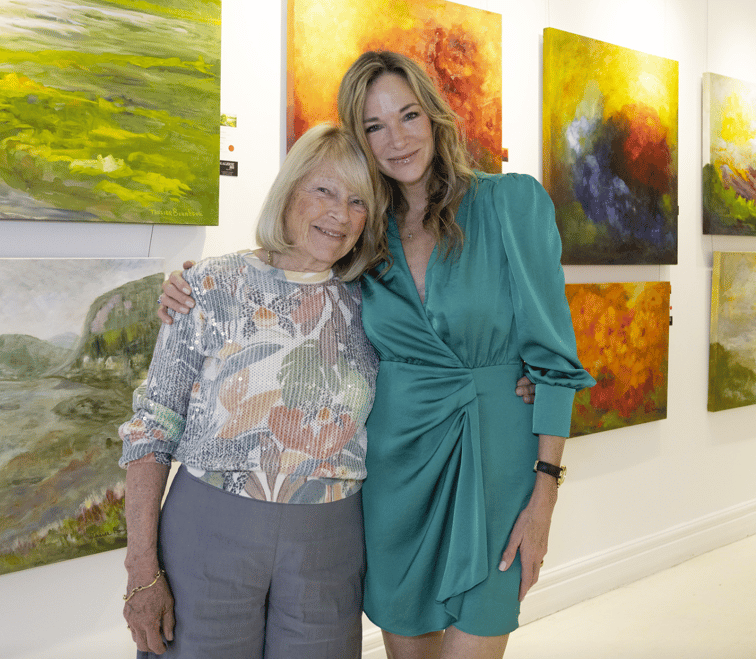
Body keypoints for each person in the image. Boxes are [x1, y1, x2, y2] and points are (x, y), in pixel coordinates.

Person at [160, 50, 595, 659]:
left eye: (409, 115)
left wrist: (546, 488)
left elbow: (555, 357)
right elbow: (291, 270)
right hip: (396, 466)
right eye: (373, 126)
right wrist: (195, 280)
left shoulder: (512, 203)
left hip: (497, 460)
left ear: (436, 117)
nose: (396, 140)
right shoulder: (366, 233)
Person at [121, 123, 385, 658]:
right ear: (288, 191)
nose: (340, 214)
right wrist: (141, 569)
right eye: (324, 191)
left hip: (329, 540)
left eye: (358, 201)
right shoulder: (208, 287)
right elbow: (152, 428)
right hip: (209, 529)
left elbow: (445, 366)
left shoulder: (377, 303)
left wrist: (517, 380)